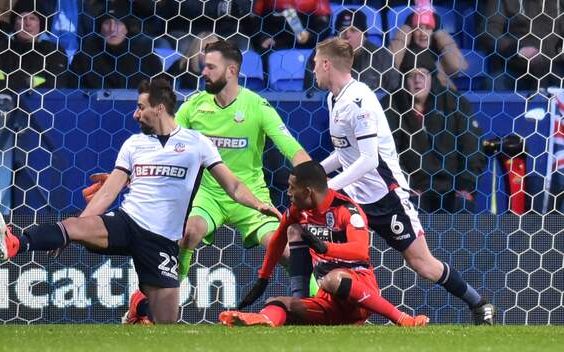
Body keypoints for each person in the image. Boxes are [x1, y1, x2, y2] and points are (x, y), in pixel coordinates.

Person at [0, 77, 281, 324]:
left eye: (141, 107)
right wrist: (77, 227)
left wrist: (257, 204)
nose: (135, 114)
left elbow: (232, 184)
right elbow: (108, 192)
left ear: (159, 108)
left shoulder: (197, 143)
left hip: (162, 241)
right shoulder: (134, 144)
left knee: (166, 321)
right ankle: (16, 242)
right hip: (127, 223)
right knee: (71, 227)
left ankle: (139, 308)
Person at [308, 37, 494, 324]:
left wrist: (328, 185)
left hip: (386, 196)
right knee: (319, 243)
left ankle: (479, 304)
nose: (313, 72)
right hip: (355, 199)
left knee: (423, 264)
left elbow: (370, 159)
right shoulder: (334, 98)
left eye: (315, 65)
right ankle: (320, 308)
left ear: (326, 63)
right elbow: (345, 151)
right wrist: (313, 173)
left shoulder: (360, 101)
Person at [165, 39, 315, 302]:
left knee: (287, 253)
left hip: (251, 198)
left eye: (211, 67)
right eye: (204, 66)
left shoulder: (257, 106)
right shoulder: (194, 106)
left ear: (231, 71)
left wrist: (316, 184)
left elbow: (293, 149)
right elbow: (166, 145)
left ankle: (323, 301)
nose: (204, 72)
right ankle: (162, 304)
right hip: (210, 195)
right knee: (188, 234)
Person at [224, 161, 429, 327]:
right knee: (276, 303)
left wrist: (326, 248)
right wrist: (263, 279)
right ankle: (263, 320)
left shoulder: (346, 209)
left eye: (292, 188)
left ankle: (402, 319)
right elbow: (278, 239)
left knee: (333, 279)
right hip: (327, 300)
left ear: (308, 191)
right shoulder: (299, 210)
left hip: (357, 289)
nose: (288, 193)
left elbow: (360, 252)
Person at [382, 67, 487, 213]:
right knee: (408, 209)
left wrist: (465, 186)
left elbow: (472, 148)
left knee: (462, 206)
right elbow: (387, 153)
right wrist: (405, 187)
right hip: (412, 189)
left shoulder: (454, 102)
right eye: (411, 75)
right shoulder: (390, 106)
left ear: (432, 78)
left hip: (453, 188)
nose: (417, 80)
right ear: (404, 80)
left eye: (423, 74)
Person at [477, 0, 563, 92]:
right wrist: (517, 49)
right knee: (494, 83)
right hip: (515, 68)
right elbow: (488, 31)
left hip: (555, 69)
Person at [0, 0, 71, 93]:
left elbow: (55, 86)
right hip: (6, 105)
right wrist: (29, 82)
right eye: (22, 18)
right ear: (14, 23)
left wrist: (12, 81)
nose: (27, 24)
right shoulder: (0, 49)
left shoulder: (54, 51)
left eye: (33, 18)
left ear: (41, 24)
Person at [70, 0, 162, 89]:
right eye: (107, 23)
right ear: (100, 28)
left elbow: (160, 86)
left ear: (126, 28)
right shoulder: (86, 53)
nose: (112, 29)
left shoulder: (144, 52)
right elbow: (72, 85)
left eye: (118, 23)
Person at [304, 9, 396, 93]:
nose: (347, 35)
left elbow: (393, 93)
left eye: (353, 30)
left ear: (364, 35)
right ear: (336, 36)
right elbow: (312, 94)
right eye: (342, 30)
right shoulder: (321, 55)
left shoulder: (380, 56)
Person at [388, 0, 466, 90]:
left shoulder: (440, 61)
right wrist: (406, 28)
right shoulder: (405, 58)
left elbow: (457, 67)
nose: (423, 33)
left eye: (428, 28)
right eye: (418, 28)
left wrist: (440, 33)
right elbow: (389, 65)